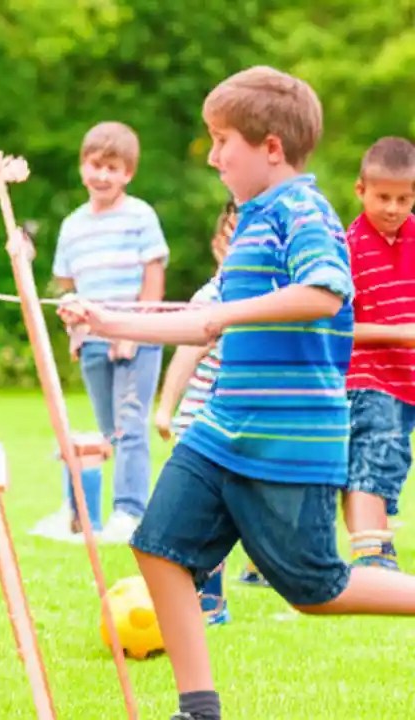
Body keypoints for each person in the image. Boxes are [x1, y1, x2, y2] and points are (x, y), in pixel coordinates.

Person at [61, 65, 415, 720]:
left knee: (315, 588)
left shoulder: (303, 211)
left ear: (271, 148)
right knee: (156, 544)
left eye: (223, 140)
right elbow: (199, 321)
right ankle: (199, 708)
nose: (214, 155)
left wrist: (228, 316)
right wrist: (106, 319)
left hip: (289, 440)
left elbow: (325, 290)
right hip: (222, 430)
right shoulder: (252, 221)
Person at [35, 120, 169, 544]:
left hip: (135, 338)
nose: (103, 176)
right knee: (106, 430)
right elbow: (68, 284)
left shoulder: (140, 215)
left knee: (131, 425)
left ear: (128, 173)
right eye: (96, 166)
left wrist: (134, 330)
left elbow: (153, 273)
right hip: (92, 342)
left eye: (114, 168)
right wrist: (75, 323)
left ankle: (130, 512)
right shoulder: (73, 225)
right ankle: (79, 510)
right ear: (82, 167)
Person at [152, 199, 237, 625]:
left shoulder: (269, 297)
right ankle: (208, 601)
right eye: (231, 239)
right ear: (218, 245)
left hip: (238, 428)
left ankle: (210, 598)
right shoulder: (213, 297)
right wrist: (166, 408)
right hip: (200, 424)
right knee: (200, 515)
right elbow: (188, 351)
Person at [341, 136, 415, 571]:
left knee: (392, 455)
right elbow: (337, 327)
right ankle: (370, 551)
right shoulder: (349, 246)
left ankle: (376, 543)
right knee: (377, 449)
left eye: (404, 198)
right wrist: (401, 334)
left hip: (407, 376)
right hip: (368, 376)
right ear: (360, 190)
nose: (392, 207)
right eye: (382, 196)